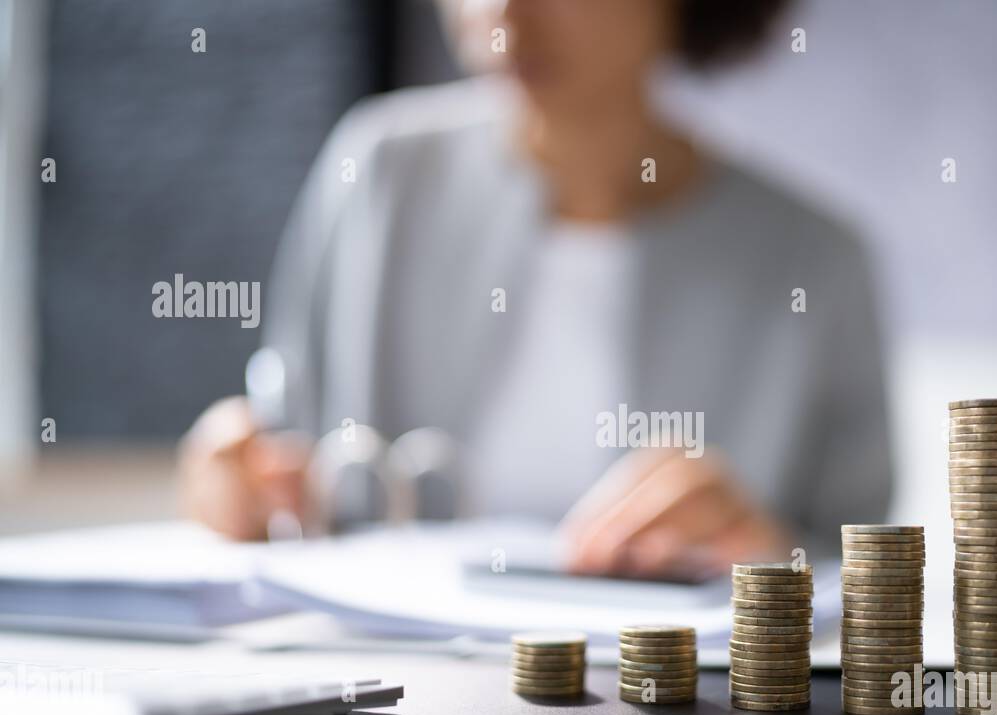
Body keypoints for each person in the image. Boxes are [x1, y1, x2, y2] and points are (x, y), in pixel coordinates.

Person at [179, 0, 891, 578]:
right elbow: (289, 452)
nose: (503, 12)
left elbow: (856, 564)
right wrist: (237, 480)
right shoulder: (379, 178)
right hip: (391, 702)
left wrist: (763, 550)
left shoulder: (815, 261)